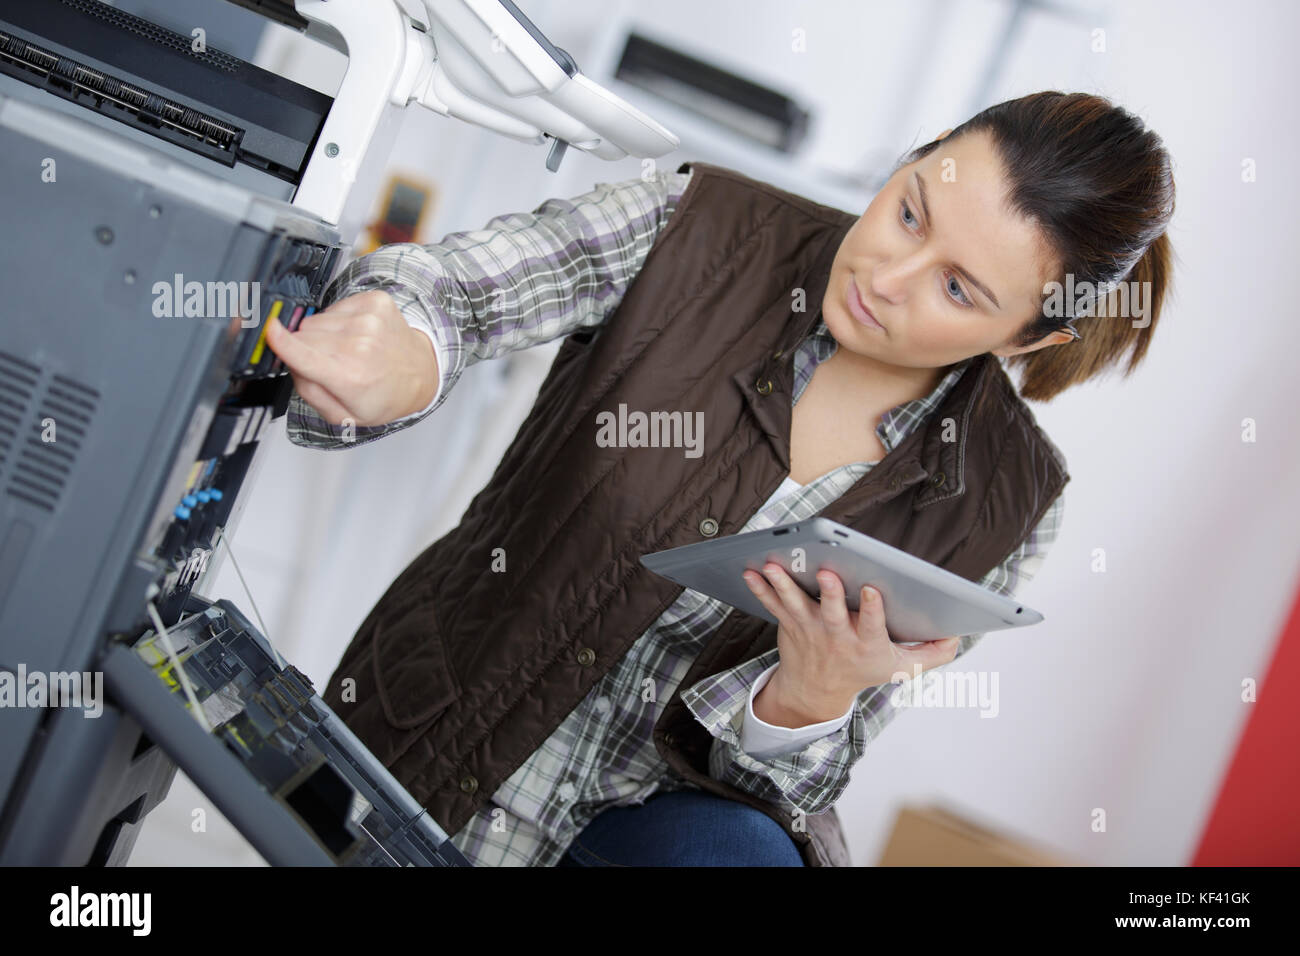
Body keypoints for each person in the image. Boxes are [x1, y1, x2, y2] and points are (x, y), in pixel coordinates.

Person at [264, 90, 1176, 867]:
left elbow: (804, 776)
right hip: (427, 744)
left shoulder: (1010, 506)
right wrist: (405, 345)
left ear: (1028, 339)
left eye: (959, 290)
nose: (887, 277)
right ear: (915, 159)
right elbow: (461, 289)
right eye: (909, 212)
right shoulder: (703, 231)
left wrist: (811, 701)